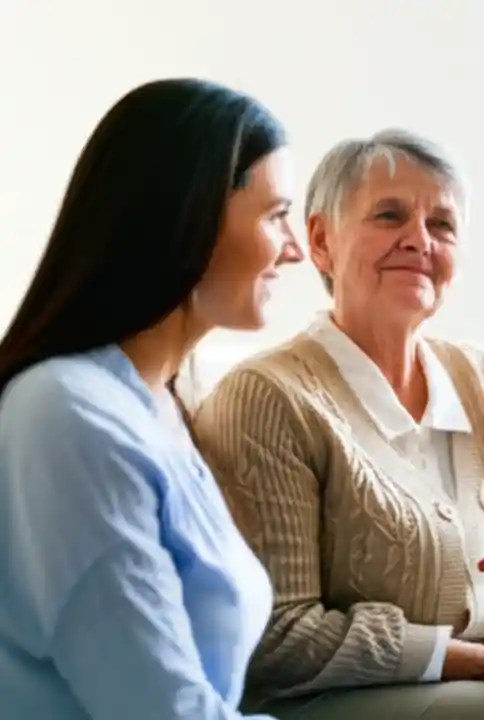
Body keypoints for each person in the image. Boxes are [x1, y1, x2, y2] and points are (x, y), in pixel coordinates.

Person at [193, 130, 484, 720]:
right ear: (320, 241)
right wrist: (472, 659)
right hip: (322, 700)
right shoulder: (268, 397)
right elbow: (280, 637)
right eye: (389, 215)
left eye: (442, 225)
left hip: (478, 680)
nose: (419, 241)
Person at [0, 78, 304, 720]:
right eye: (277, 215)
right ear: (187, 215)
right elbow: (160, 708)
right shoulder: (69, 415)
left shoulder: (157, 406)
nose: (296, 250)